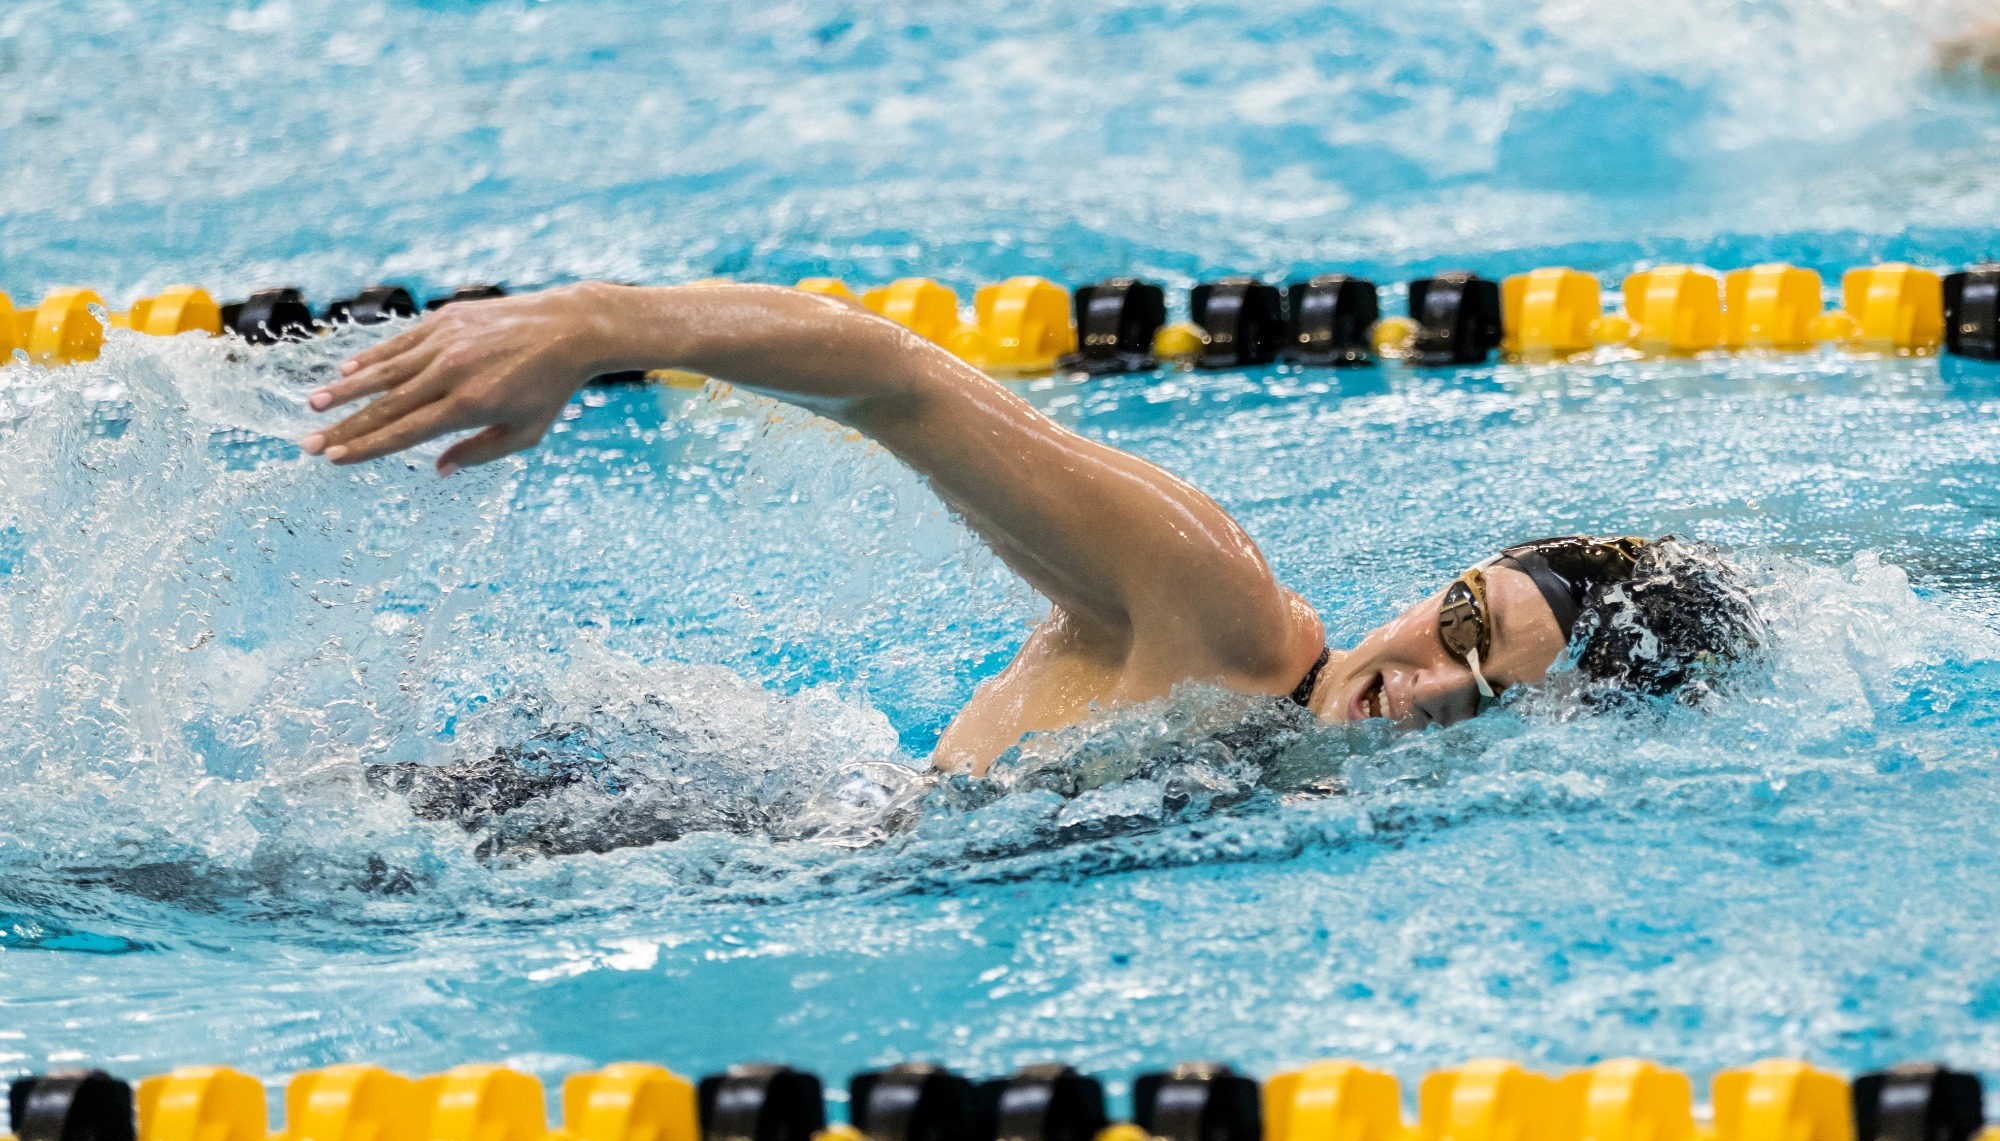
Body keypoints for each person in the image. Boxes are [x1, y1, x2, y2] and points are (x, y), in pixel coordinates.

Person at [303, 282, 1759, 775]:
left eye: (1490, 694)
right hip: (655, 816)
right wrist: (594, 325)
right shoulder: (1221, 615)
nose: (1430, 682)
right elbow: (896, 378)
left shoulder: (1314, 782)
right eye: (1459, 627)